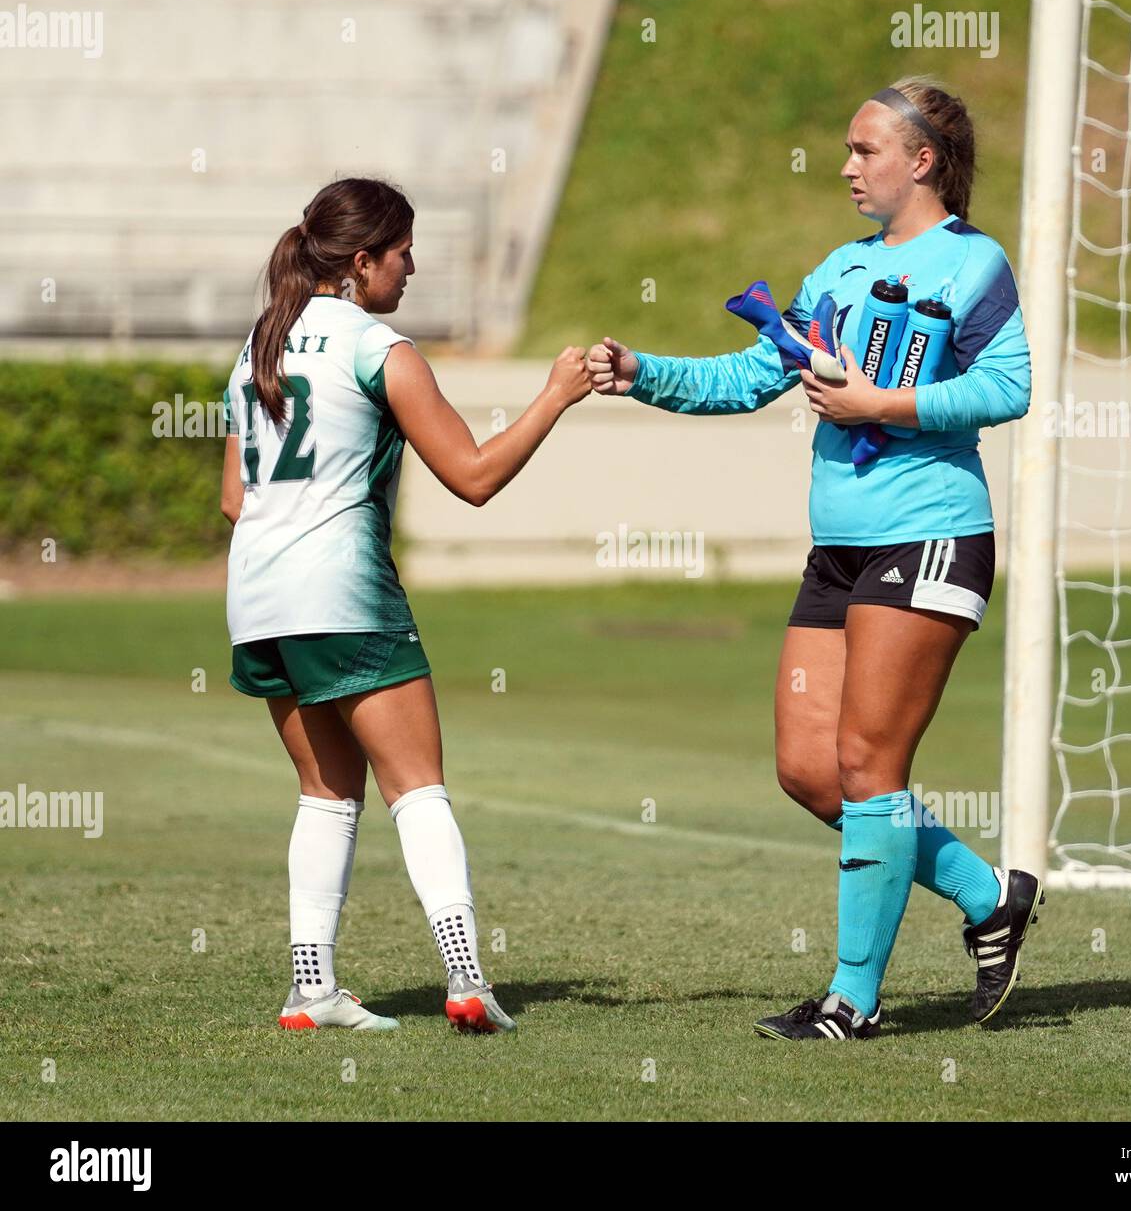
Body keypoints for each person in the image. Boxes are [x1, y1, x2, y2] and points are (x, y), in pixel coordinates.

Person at [586, 79, 1043, 1040]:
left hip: (930, 534)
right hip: (838, 553)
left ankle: (853, 1001)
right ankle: (989, 893)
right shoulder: (837, 270)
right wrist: (642, 375)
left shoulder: (973, 264)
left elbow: (1008, 387)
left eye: (865, 150)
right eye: (846, 149)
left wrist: (881, 408)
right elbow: (756, 374)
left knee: (870, 764)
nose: (846, 166)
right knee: (809, 771)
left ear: (921, 162)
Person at [221, 177, 590, 1033]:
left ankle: (311, 989)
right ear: (361, 261)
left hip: (258, 599)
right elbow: (473, 476)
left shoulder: (256, 348)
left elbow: (237, 499)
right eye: (402, 252)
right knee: (417, 788)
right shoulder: (377, 346)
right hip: (341, 592)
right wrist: (556, 394)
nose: (411, 267)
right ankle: (465, 978)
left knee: (324, 793)